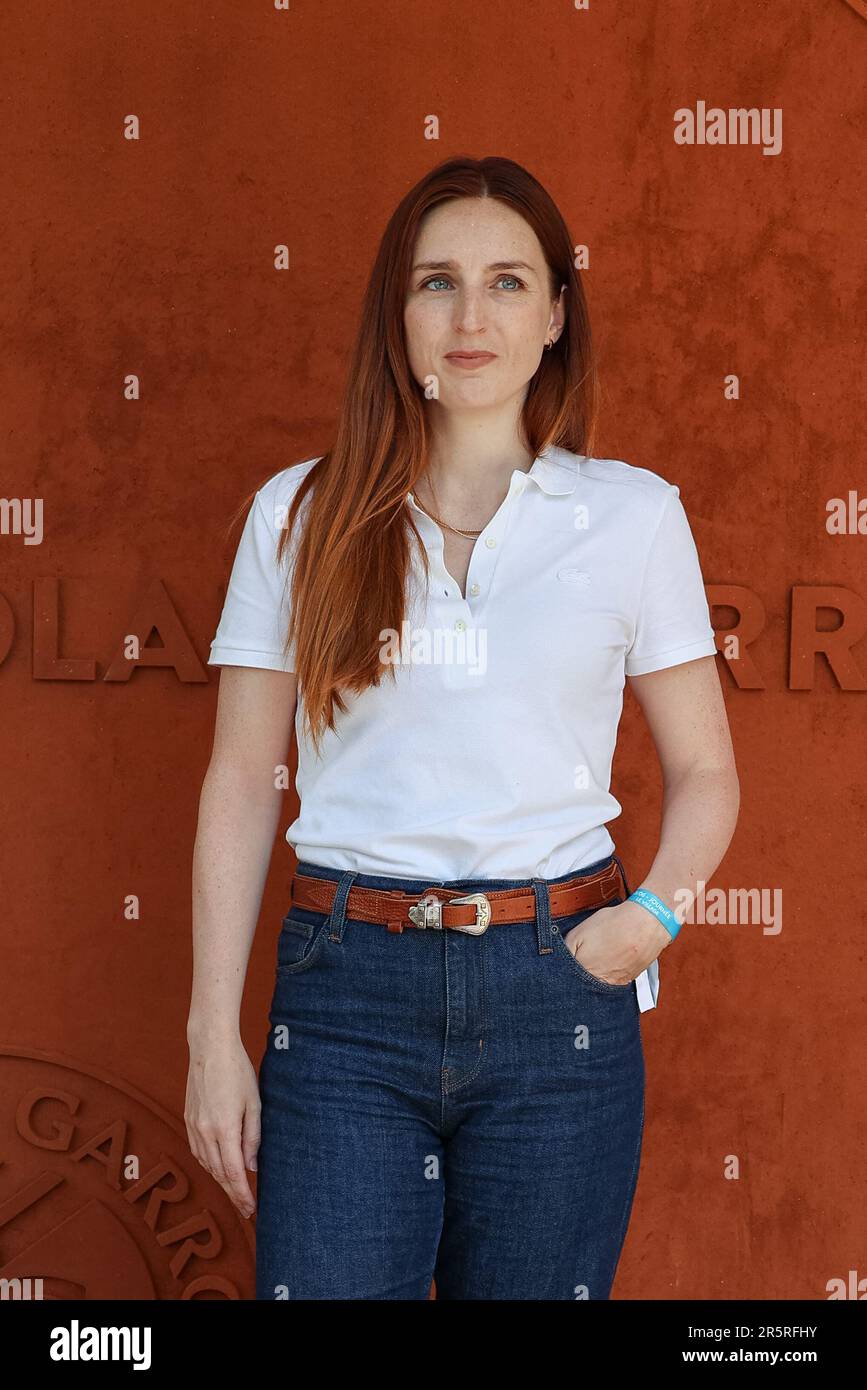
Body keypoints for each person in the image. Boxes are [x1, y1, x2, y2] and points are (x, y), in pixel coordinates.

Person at [186, 155, 740, 1300]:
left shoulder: (633, 518)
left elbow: (706, 771)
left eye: (506, 281)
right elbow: (244, 779)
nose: (471, 314)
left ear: (553, 316)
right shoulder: (298, 514)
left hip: (561, 992)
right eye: (438, 282)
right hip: (344, 999)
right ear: (398, 315)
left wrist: (649, 920)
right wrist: (210, 1038)